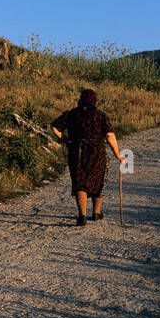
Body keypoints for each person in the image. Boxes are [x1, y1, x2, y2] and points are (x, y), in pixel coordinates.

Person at [50, 89, 125, 226]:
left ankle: (82, 216)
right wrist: (118, 155)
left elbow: (55, 127)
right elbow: (110, 136)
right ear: (94, 101)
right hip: (97, 152)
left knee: (80, 182)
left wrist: (66, 140)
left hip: (77, 151)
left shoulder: (72, 114)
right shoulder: (100, 116)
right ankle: (96, 213)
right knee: (98, 180)